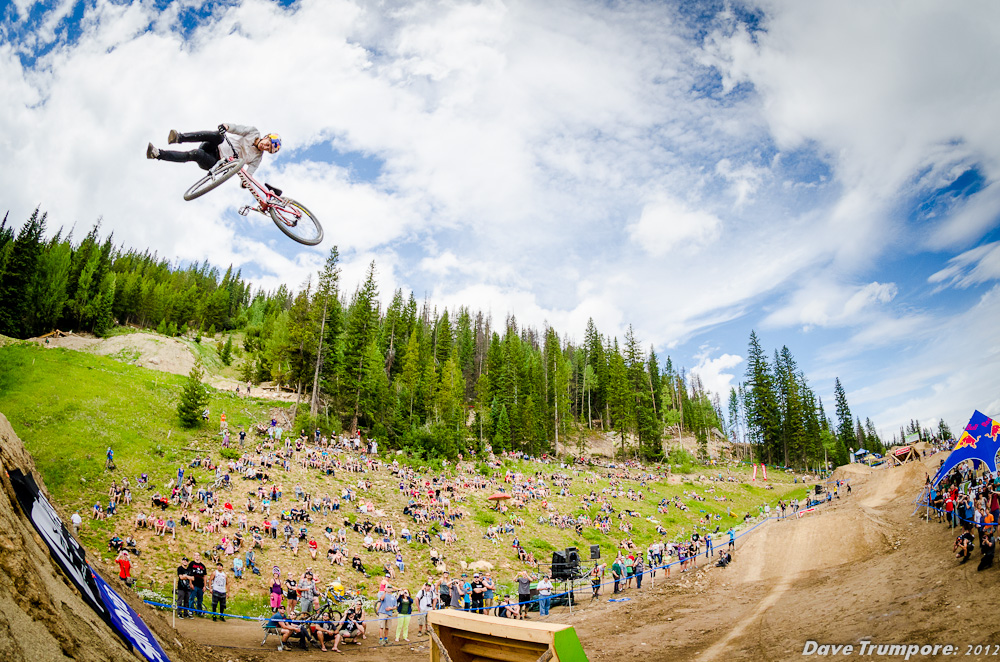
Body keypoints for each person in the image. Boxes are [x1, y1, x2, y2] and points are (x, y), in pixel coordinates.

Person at [147, 124, 280, 177]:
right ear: (267, 137)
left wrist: (245, 184)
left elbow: (249, 175)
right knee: (218, 136)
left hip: (214, 161)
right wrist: (226, 126)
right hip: (214, 146)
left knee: (195, 154)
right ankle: (178, 138)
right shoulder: (253, 132)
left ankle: (157, 154)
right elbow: (238, 129)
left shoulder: (257, 158)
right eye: (268, 144)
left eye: (268, 149)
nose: (266, 147)